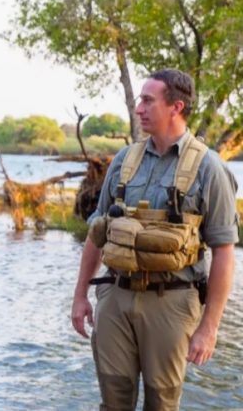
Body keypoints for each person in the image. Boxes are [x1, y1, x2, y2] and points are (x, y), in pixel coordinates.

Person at [70, 69, 237, 410]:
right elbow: (97, 234)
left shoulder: (209, 168)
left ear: (176, 106)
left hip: (172, 302)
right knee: (113, 399)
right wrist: (80, 296)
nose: (139, 109)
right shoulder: (123, 160)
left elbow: (223, 253)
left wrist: (210, 327)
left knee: (162, 401)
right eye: (139, 101)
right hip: (114, 297)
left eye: (147, 101)